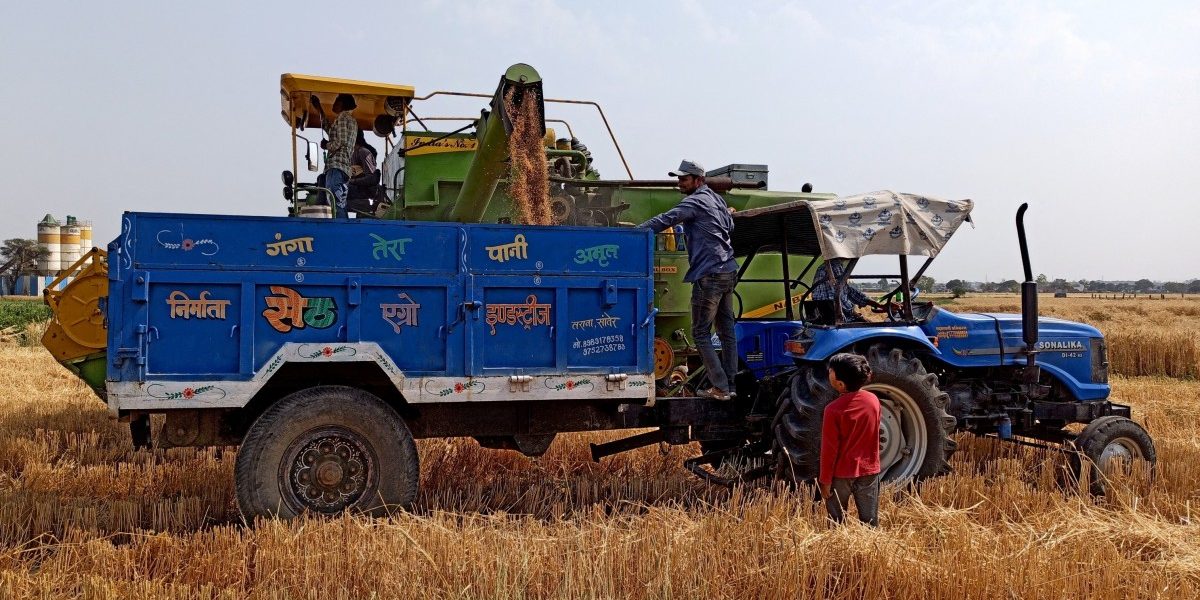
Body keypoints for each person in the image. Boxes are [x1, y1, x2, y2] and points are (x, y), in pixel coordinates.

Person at [638, 159, 738, 401]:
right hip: (728, 270)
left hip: (709, 273)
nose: (679, 183)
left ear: (698, 180)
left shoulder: (694, 201)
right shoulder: (717, 199)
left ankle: (720, 387)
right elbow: (730, 225)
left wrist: (634, 232)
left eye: (684, 179)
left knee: (700, 333)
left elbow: (665, 220)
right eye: (679, 178)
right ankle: (731, 386)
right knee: (726, 332)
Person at [819, 352, 882, 526]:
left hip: (841, 475)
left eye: (831, 371)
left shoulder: (833, 410)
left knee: (836, 523)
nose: (828, 372)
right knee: (870, 522)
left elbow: (829, 449)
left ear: (840, 384)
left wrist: (825, 480)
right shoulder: (873, 401)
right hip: (869, 471)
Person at [810, 258, 893, 322]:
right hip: (838, 320)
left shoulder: (826, 267)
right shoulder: (834, 267)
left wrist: (878, 305)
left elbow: (849, 291)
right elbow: (839, 300)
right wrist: (860, 317)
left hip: (827, 317)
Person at [323, 93, 358, 218]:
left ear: (341, 104)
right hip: (344, 167)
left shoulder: (343, 117)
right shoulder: (352, 121)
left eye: (336, 101)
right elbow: (332, 132)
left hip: (336, 165)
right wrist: (319, 110)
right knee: (340, 201)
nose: (333, 104)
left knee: (334, 199)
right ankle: (344, 224)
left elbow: (340, 141)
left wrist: (327, 145)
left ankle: (340, 225)